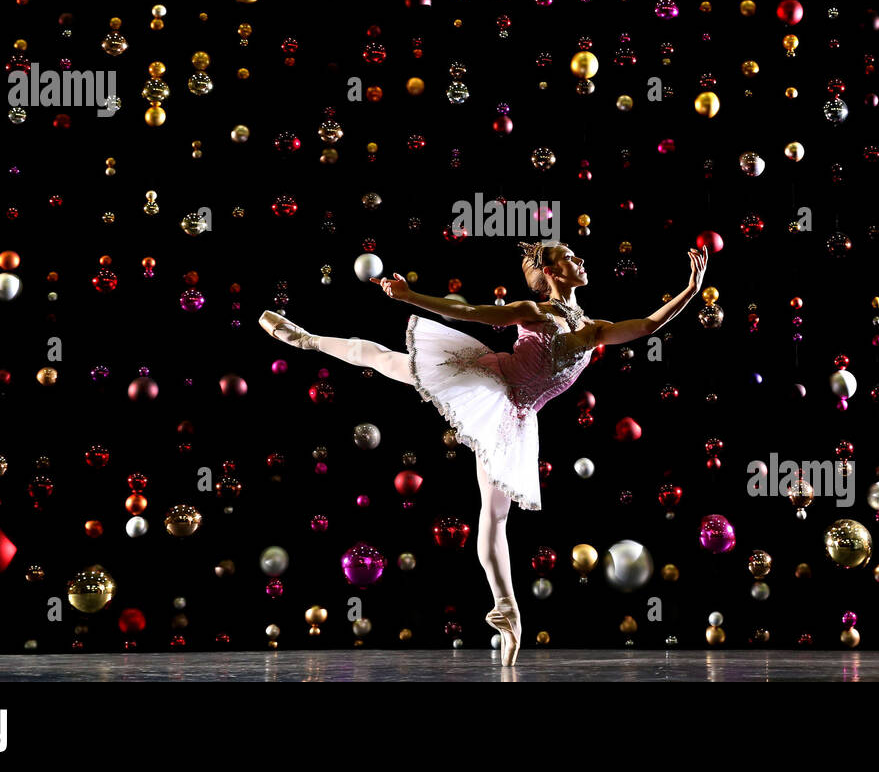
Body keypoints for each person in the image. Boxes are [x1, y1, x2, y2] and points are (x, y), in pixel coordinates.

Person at [258, 240, 709, 664]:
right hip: (486, 382)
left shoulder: (594, 331)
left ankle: (506, 610)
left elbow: (648, 325)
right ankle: (306, 339)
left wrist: (690, 290)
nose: (583, 262)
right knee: (390, 360)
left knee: (494, 517)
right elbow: (472, 312)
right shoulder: (533, 311)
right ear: (552, 272)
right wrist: (410, 295)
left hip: (515, 417)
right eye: (573, 258)